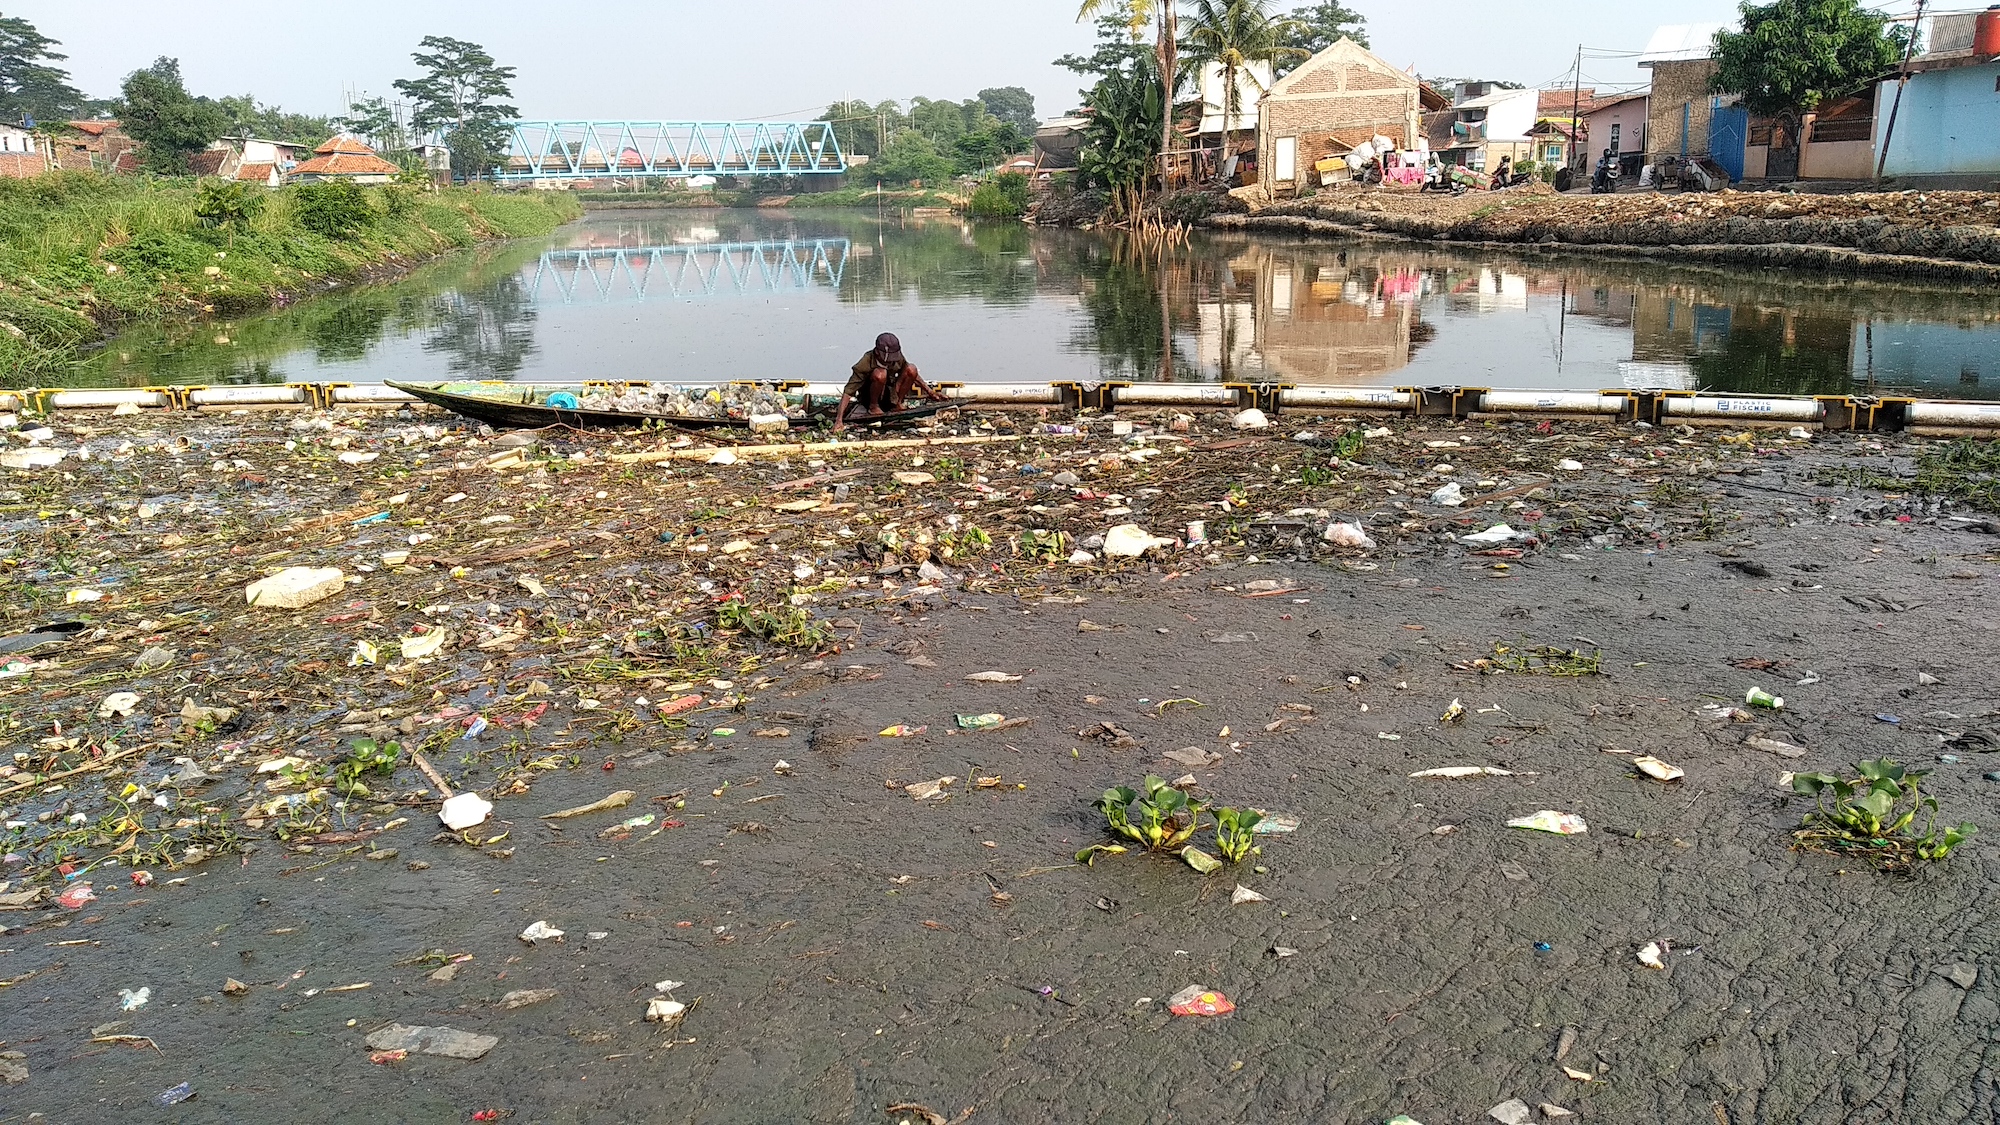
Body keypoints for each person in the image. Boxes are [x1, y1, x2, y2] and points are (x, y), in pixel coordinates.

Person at [835, 332, 945, 431]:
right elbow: (848, 392)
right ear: (877, 352)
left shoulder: (897, 358)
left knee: (912, 368)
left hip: (890, 392)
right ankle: (874, 407)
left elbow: (910, 372)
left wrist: (930, 392)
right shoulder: (865, 363)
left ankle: (897, 404)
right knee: (880, 374)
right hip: (870, 396)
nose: (891, 361)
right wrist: (839, 420)